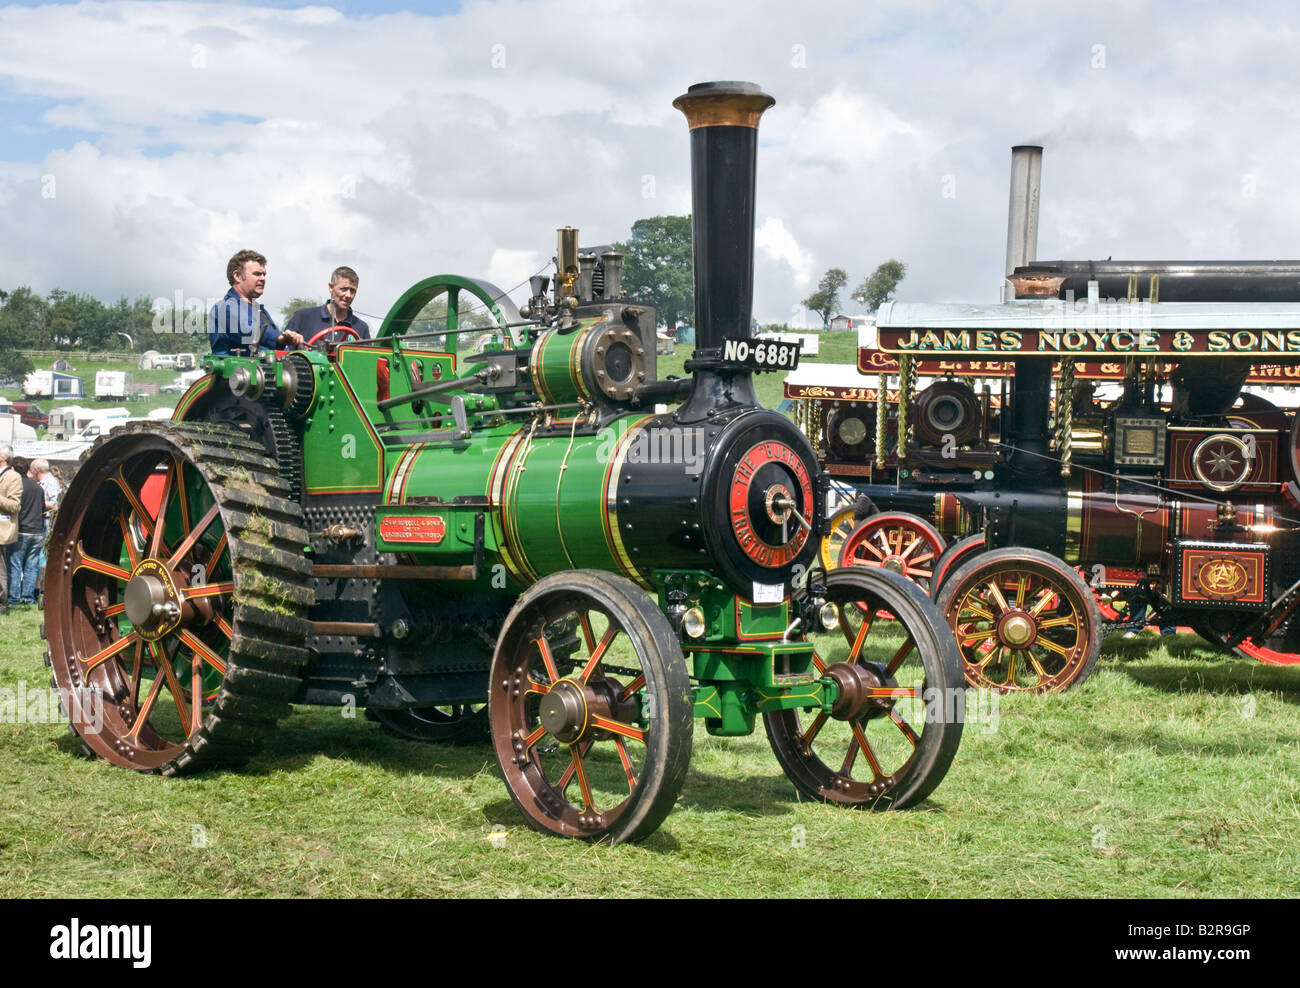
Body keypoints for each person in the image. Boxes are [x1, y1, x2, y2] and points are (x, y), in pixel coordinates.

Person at [209, 249, 305, 354]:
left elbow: (277, 342)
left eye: (264, 274)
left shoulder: (259, 310)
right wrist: (280, 338)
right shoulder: (225, 308)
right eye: (257, 274)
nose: (263, 278)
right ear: (237, 276)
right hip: (238, 370)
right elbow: (249, 331)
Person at [283, 265, 371, 345]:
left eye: (352, 291)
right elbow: (283, 352)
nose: (348, 295)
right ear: (331, 287)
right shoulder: (303, 317)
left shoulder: (361, 328)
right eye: (343, 289)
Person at [7, 456, 44, 606]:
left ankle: (14, 598)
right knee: (31, 566)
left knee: (15, 565)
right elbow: (42, 508)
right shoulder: (38, 487)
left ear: (13, 469)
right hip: (37, 531)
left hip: (22, 529)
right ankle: (28, 598)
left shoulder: (17, 486)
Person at [0, 445, 22, 615]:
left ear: (4, 457)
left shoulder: (13, 477)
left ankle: (1, 604)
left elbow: (14, 506)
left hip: (2, 530)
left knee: (1, 569)